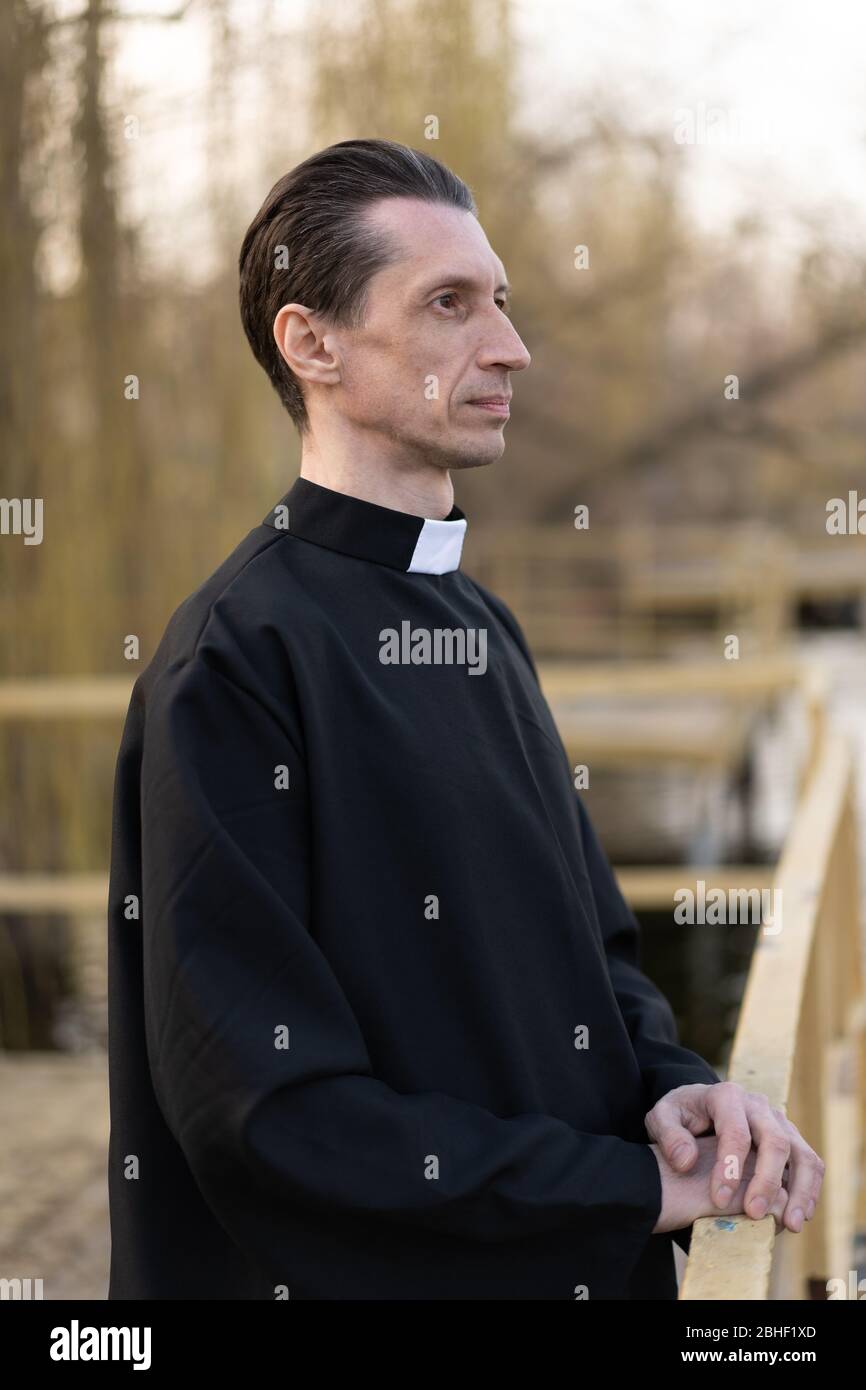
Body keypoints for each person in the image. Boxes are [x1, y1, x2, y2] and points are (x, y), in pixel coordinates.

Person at [106, 138, 823, 1300]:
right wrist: (623, 1192)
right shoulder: (232, 664)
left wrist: (671, 1093)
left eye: (499, 301)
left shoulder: (477, 618)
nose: (510, 346)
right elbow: (270, 1112)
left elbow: (592, 961)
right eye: (449, 305)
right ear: (312, 344)